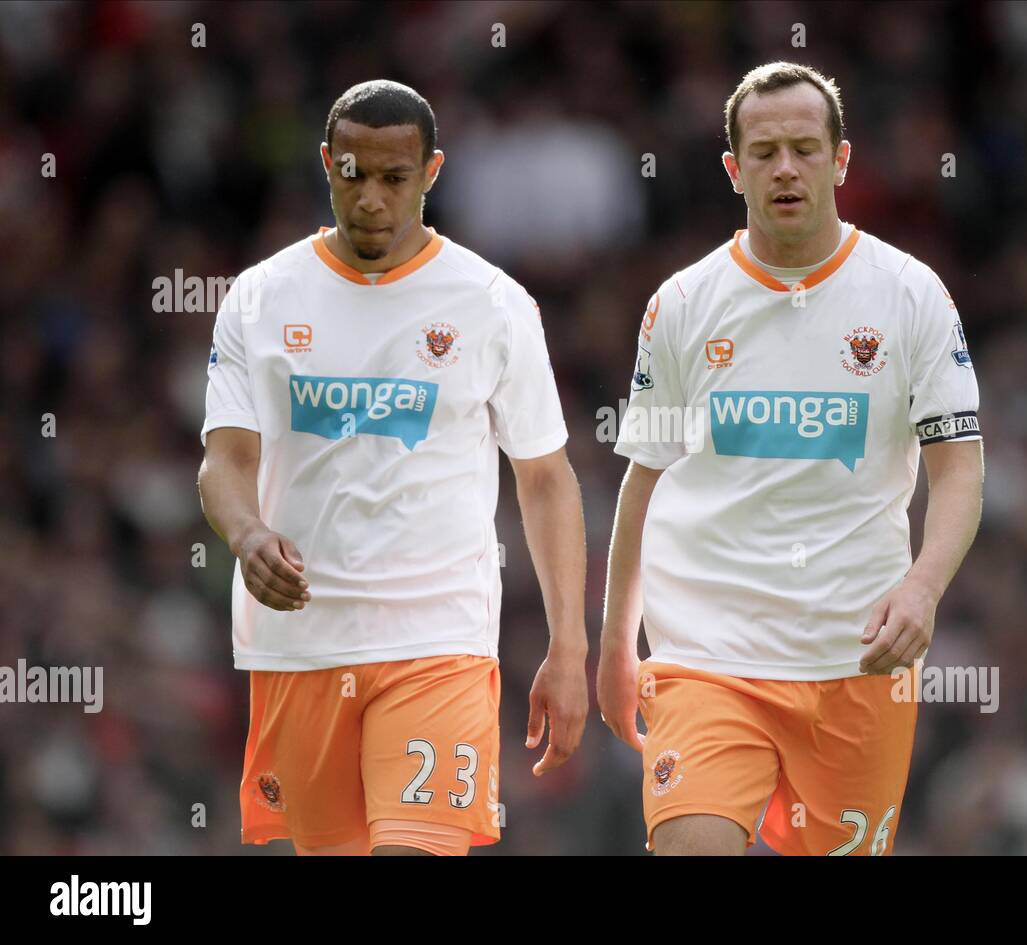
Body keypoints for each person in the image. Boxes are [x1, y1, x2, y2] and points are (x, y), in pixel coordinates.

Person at [597, 62, 984, 856]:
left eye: (804, 149)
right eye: (764, 152)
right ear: (733, 169)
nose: (785, 168)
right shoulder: (682, 304)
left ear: (840, 161)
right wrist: (613, 642)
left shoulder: (911, 295)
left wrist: (923, 587)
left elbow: (958, 468)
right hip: (707, 657)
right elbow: (644, 480)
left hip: (856, 657)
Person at [197, 80, 588, 856]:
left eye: (394, 177)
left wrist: (569, 643)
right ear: (326, 163)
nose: (371, 197)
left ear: (431, 172)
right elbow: (225, 460)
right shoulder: (260, 297)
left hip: (438, 639)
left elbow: (545, 475)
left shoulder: (491, 302)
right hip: (303, 643)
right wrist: (246, 534)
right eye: (352, 173)